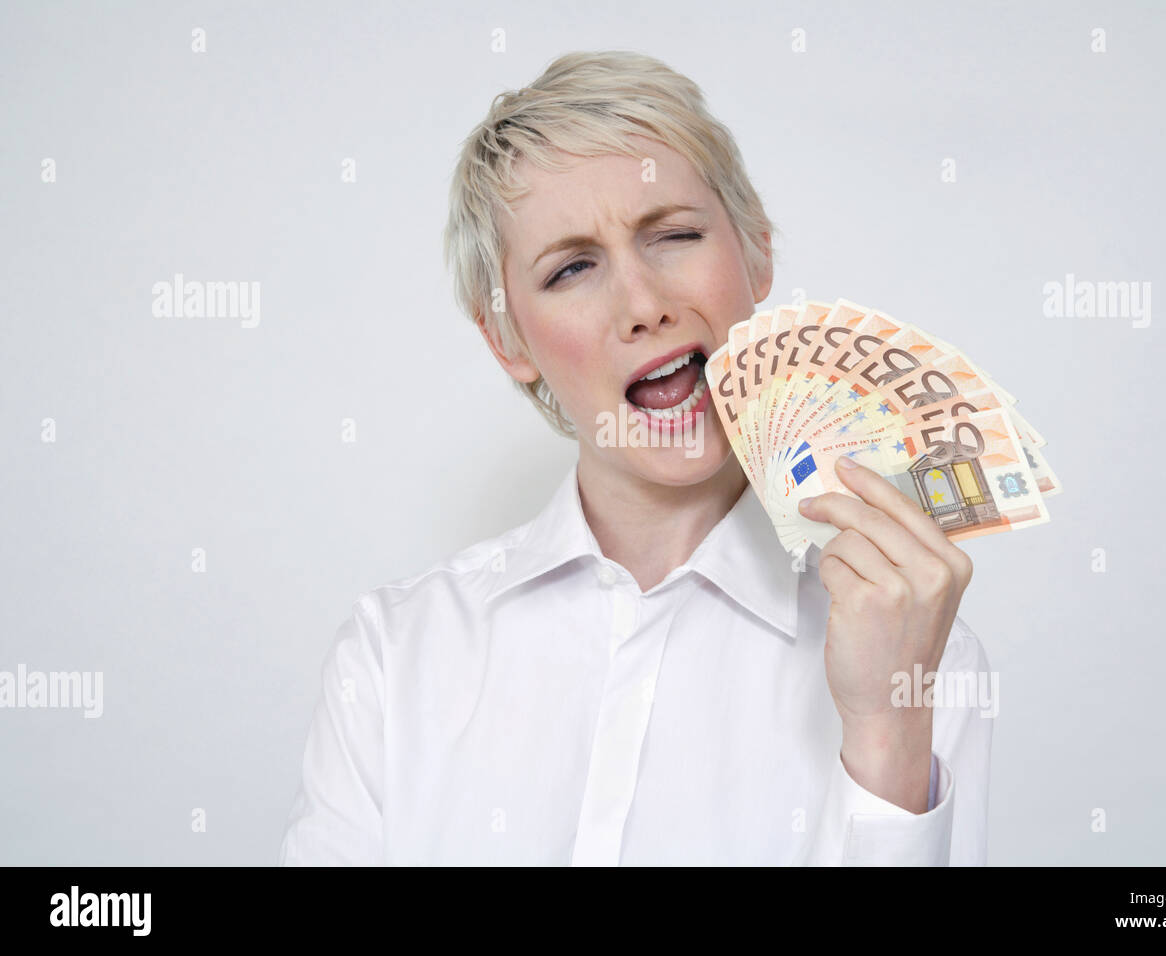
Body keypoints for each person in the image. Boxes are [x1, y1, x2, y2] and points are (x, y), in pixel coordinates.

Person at [278, 49, 993, 866]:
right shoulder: (392, 657)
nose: (644, 305)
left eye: (676, 234)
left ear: (757, 253)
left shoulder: (919, 648)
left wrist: (887, 729)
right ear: (506, 338)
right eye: (573, 268)